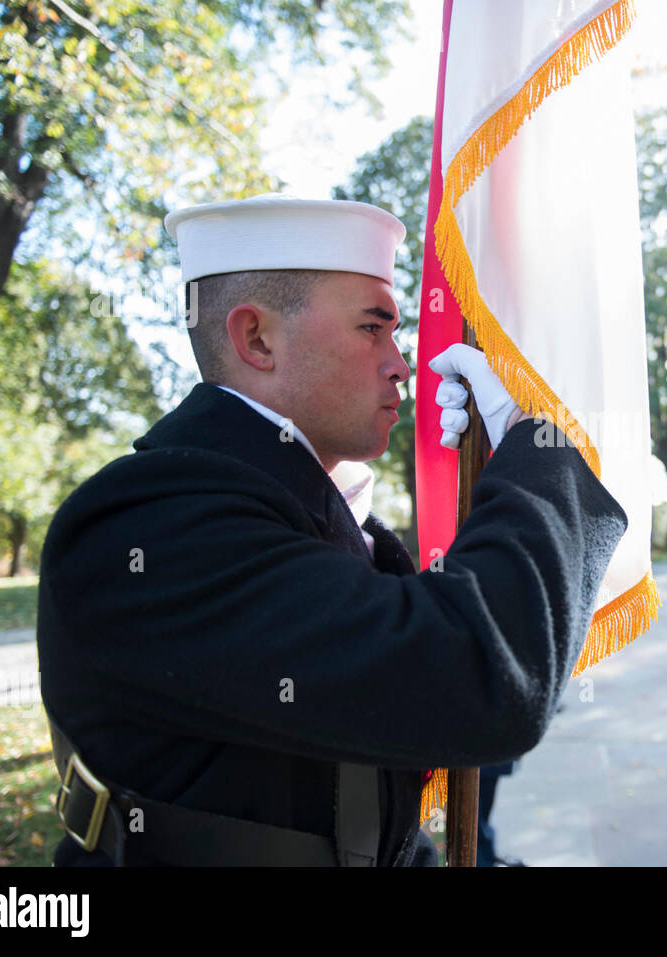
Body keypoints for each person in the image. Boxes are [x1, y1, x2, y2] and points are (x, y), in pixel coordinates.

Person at [36, 194, 627, 866]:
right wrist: (535, 448)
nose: (402, 363)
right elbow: (482, 679)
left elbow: (373, 816)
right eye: (373, 329)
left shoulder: (308, 511)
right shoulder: (144, 523)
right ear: (256, 337)